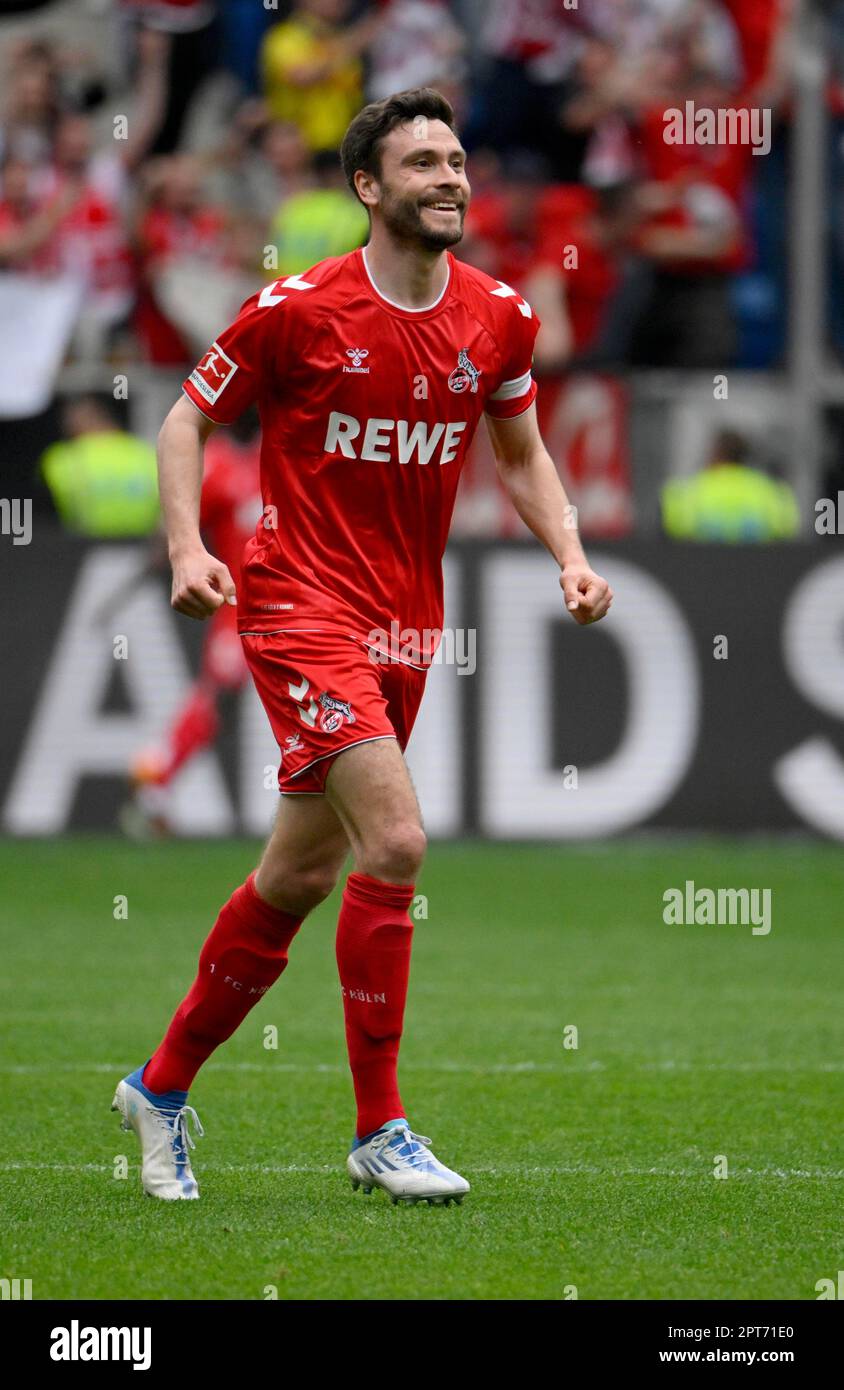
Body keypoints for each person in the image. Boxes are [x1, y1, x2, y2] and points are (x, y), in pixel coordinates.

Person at [111, 86, 613, 1205]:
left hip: (406, 623)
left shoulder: (497, 314)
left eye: (456, 158)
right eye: (423, 163)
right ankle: (379, 1128)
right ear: (368, 189)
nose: (449, 177)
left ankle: (160, 1084)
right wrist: (191, 549)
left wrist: (568, 552)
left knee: (296, 874)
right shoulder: (297, 309)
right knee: (396, 841)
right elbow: (187, 418)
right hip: (298, 604)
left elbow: (522, 454)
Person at [661, 428, 800, 541]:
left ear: (716, 453)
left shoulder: (690, 490)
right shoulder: (770, 491)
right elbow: (787, 530)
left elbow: (673, 528)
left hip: (703, 567)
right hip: (757, 568)